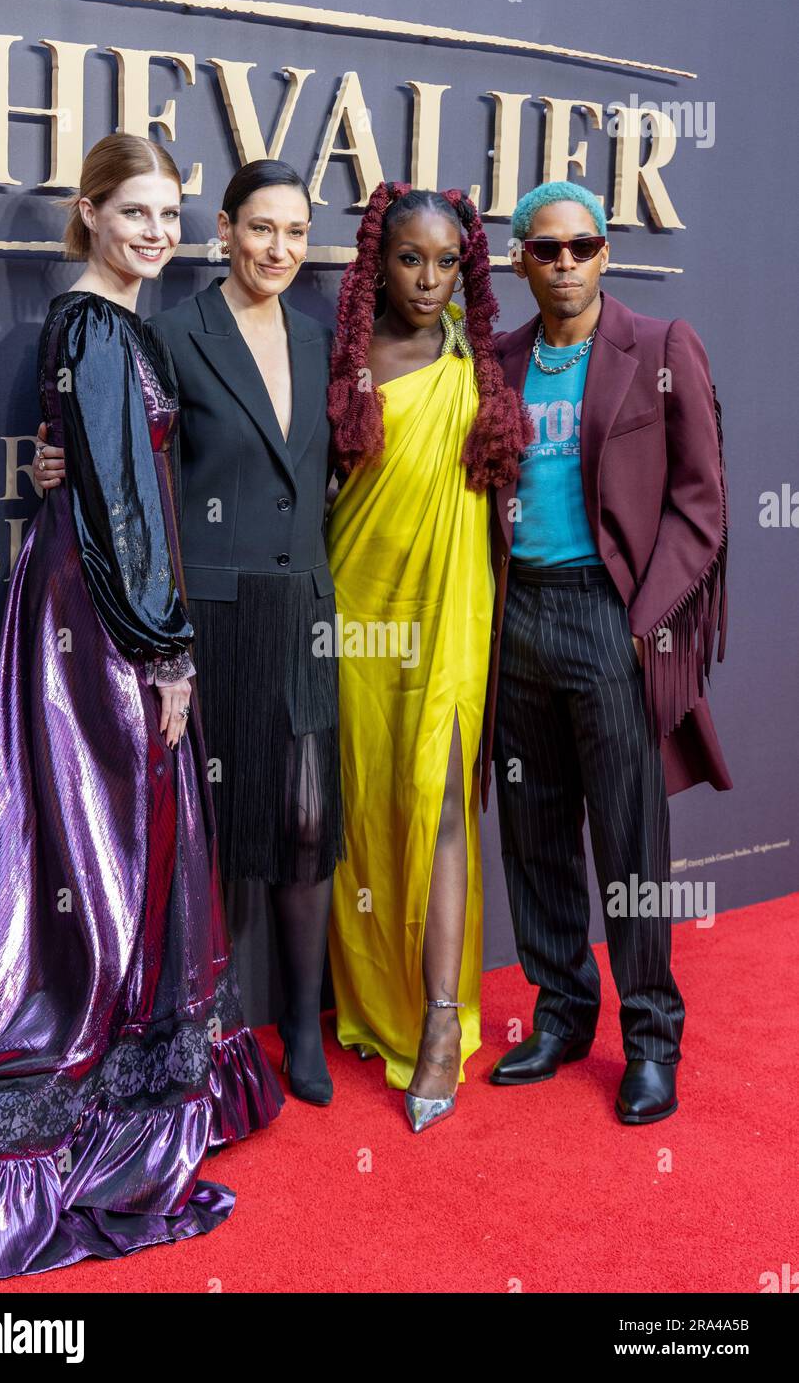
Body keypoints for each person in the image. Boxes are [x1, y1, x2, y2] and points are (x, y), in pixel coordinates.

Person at [0, 133, 282, 1282]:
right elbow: (123, 509)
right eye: (134, 211)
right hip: (103, 622)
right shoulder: (92, 326)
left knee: (111, 845)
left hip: (89, 605)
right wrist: (165, 652)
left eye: (170, 214)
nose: (156, 232)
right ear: (87, 213)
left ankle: (120, 1077)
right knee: (114, 841)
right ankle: (86, 1094)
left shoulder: (102, 329)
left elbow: (99, 474)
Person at [33, 159, 345, 1106]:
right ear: (227, 230)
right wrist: (58, 462)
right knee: (208, 826)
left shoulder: (321, 339)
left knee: (304, 820)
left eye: (296, 232)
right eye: (262, 228)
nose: (279, 249)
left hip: (303, 609)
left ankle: (302, 1026)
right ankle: (211, 1029)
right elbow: (130, 454)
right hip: (205, 610)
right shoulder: (169, 332)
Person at [480, 181, 730, 1124]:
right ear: (520, 261)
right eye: (546, 250)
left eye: (582, 246)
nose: (566, 264)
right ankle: (561, 1014)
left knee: (630, 844)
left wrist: (642, 623)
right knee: (534, 830)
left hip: (608, 617)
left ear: (605, 254)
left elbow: (700, 502)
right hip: (518, 618)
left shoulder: (661, 347)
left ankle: (652, 1040)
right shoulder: (498, 362)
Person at [326, 183, 531, 1131]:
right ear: (379, 260)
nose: (428, 279)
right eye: (411, 258)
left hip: (451, 608)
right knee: (366, 800)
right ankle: (376, 997)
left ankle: (442, 1019)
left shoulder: (478, 365)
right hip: (358, 611)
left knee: (443, 795)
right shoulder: (340, 363)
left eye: (448, 263)